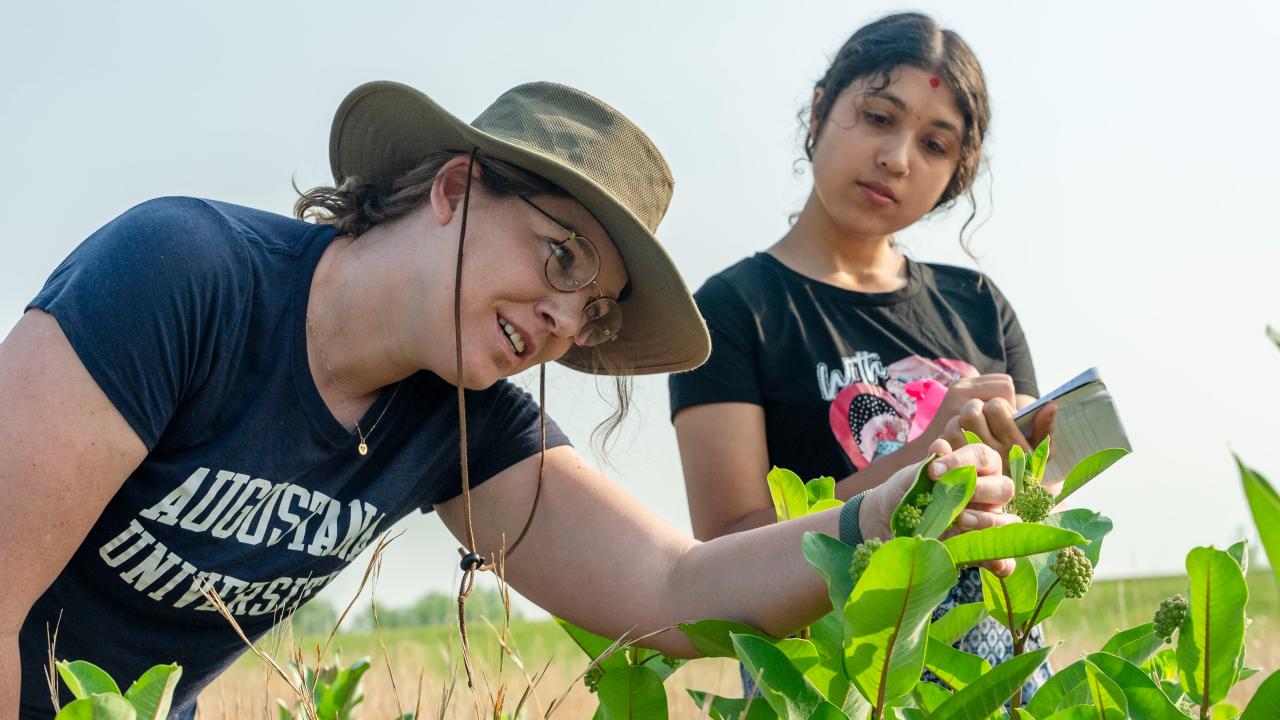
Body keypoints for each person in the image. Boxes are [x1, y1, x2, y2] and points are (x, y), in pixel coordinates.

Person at [0, 79, 1017, 719]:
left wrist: (881, 514)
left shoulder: (460, 414)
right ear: (451, 189)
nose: (565, 320)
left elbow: (669, 592)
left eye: (596, 310)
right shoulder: (186, 275)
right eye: (560, 256)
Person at [668, 12, 1057, 697]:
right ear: (821, 109)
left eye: (935, 145)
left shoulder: (979, 304)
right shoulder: (733, 311)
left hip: (994, 671)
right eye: (879, 117)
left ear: (954, 176)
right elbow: (728, 547)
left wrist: (1031, 480)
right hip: (827, 680)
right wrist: (923, 459)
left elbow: (1033, 507)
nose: (898, 158)